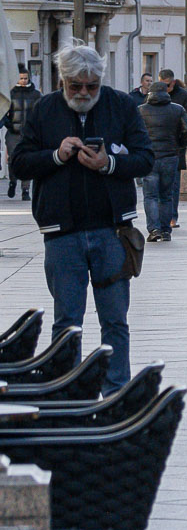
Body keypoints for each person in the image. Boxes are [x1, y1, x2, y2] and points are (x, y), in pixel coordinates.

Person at [12, 44, 153, 395]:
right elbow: (19, 163)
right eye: (76, 86)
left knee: (115, 321)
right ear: (62, 81)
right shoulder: (45, 109)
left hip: (112, 230)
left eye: (92, 86)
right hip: (62, 233)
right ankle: (67, 394)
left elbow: (146, 158)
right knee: (67, 323)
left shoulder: (120, 104)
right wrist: (57, 156)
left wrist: (109, 164)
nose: (84, 93)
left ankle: (116, 394)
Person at [135, 81, 187, 242]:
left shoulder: (141, 111)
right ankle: (166, 230)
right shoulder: (177, 109)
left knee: (150, 195)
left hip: (150, 157)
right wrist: (180, 144)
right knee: (166, 195)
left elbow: (133, 132)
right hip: (170, 156)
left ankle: (154, 229)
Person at [4, 72, 42, 201]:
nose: (23, 81)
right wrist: (9, 125)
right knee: (12, 159)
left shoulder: (36, 94)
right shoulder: (10, 93)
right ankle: (12, 181)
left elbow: (40, 110)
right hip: (13, 132)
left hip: (29, 132)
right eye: (21, 78)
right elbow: (3, 111)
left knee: (27, 159)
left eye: (25, 78)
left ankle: (25, 189)